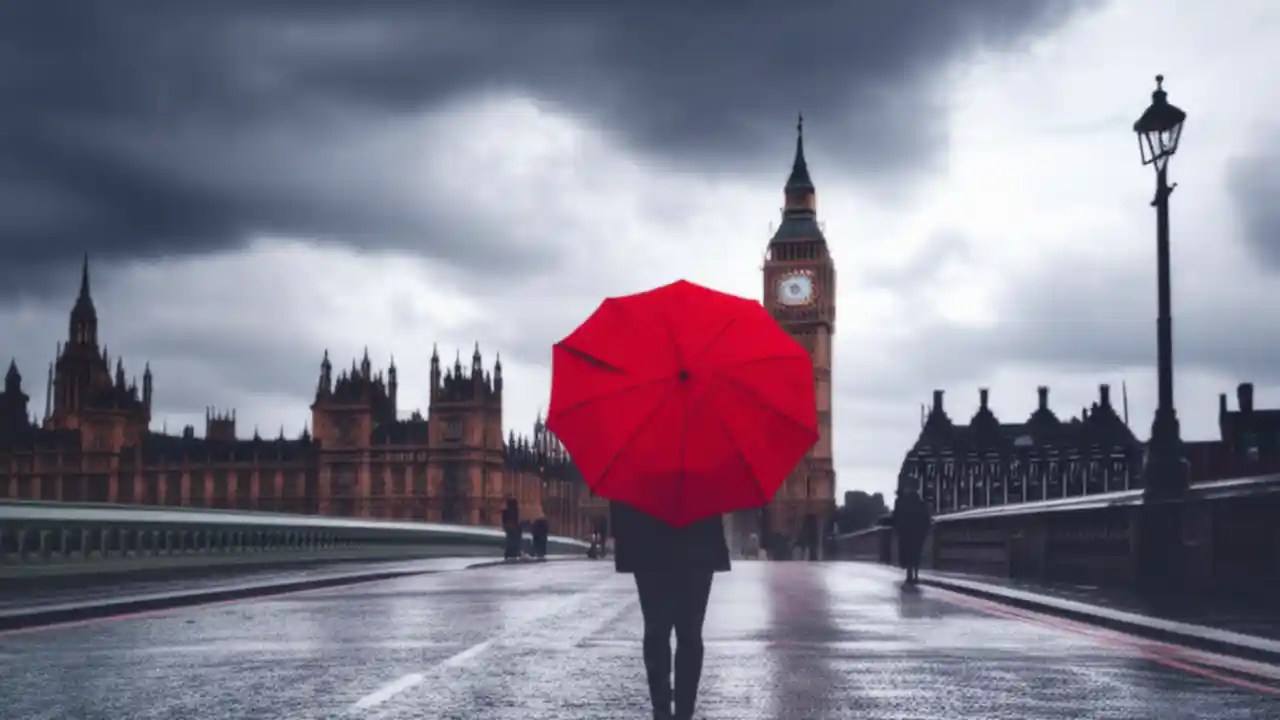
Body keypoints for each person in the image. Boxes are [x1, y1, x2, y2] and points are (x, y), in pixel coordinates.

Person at [611, 500, 730, 720]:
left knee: (662, 631)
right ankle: (679, 712)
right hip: (693, 544)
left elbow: (621, 499)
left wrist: (621, 536)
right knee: (685, 633)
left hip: (652, 544)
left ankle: (665, 711)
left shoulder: (639, 467)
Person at [892, 489, 932, 583]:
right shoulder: (922, 505)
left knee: (908, 555)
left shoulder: (904, 506)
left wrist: (898, 531)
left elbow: (896, 519)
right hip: (918, 535)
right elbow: (927, 520)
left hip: (906, 534)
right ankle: (916, 576)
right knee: (916, 555)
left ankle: (909, 575)